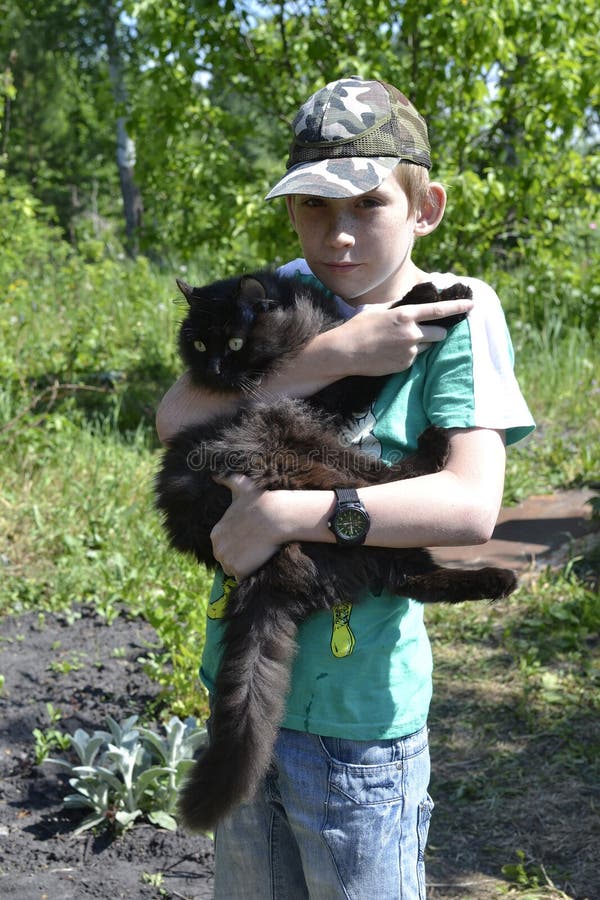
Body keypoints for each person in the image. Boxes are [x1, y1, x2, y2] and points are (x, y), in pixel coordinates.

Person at [157, 76, 534, 899]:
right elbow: (175, 415)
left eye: (368, 205)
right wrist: (335, 353)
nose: (339, 235)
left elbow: (470, 507)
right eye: (314, 209)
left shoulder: (463, 312)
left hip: (363, 726)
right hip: (244, 684)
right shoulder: (280, 291)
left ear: (425, 206)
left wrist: (287, 514)